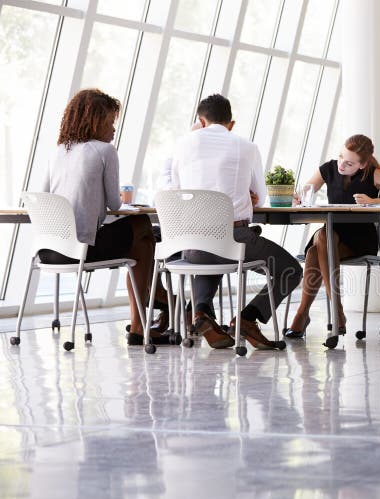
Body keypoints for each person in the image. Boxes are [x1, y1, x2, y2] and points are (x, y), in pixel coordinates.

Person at [169, 94, 302, 350]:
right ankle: (248, 318)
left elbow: (176, 190)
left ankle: (201, 312)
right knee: (291, 270)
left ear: (200, 121)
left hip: (192, 245)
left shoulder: (184, 143)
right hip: (234, 241)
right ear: (231, 123)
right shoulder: (246, 146)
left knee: (211, 251)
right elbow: (260, 197)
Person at [39, 88, 171, 346]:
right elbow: (114, 203)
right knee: (143, 226)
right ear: (94, 121)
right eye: (110, 122)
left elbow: (44, 195)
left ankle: (147, 316)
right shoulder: (104, 151)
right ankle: (153, 309)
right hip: (82, 250)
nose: (113, 130)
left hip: (49, 251)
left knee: (143, 244)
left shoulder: (57, 152)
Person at [285, 134, 380, 337]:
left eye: (349, 162)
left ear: (362, 165)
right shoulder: (328, 168)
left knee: (316, 248)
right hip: (333, 236)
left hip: (360, 239)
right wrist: (298, 197)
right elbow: (306, 192)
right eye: (341, 156)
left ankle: (304, 314)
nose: (341, 164)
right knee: (321, 240)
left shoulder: (374, 173)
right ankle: (336, 311)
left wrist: (373, 201)